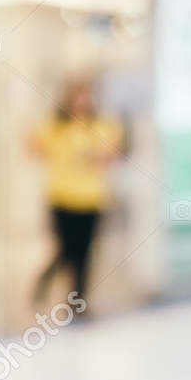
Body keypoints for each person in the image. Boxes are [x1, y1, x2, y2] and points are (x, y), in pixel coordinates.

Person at [29, 79, 121, 310]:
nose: (82, 102)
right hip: (61, 197)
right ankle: (44, 282)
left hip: (91, 199)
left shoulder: (102, 126)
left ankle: (77, 300)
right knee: (65, 249)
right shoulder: (56, 127)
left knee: (85, 252)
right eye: (77, 96)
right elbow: (35, 147)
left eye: (86, 96)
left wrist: (100, 157)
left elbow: (111, 154)